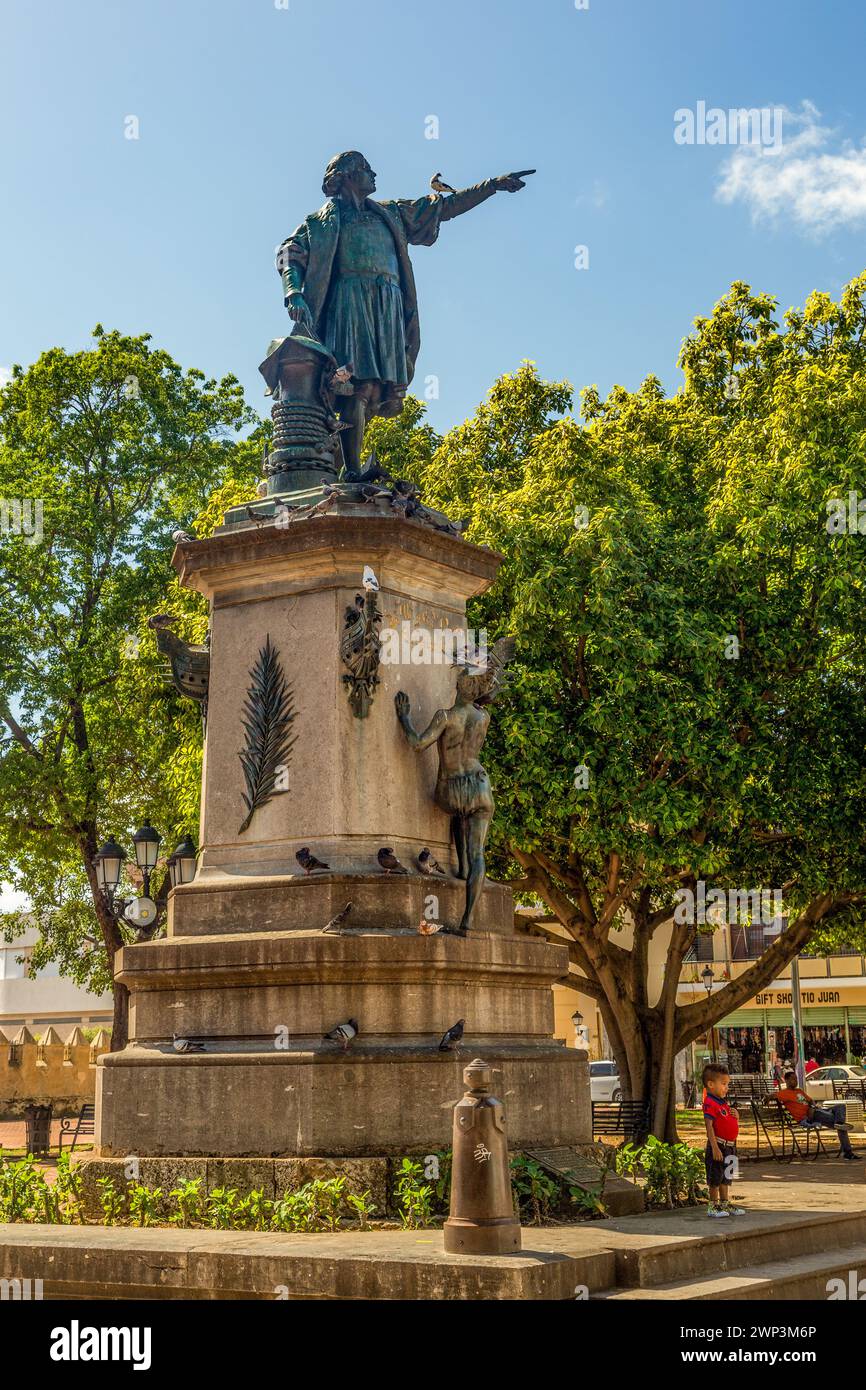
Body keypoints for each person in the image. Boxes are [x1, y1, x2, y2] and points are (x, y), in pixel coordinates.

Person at [776, 1070, 859, 1159]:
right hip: (809, 1117)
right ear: (787, 1080)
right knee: (840, 1126)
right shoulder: (783, 1093)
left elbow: (811, 1101)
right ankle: (847, 1151)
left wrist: (812, 1107)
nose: (795, 1081)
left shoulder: (799, 1091)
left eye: (796, 1079)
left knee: (841, 1107)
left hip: (816, 1111)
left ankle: (839, 1124)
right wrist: (767, 1097)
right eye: (793, 1079)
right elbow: (772, 1096)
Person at [702, 1063, 746, 1217]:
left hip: (730, 1146)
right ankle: (713, 1206)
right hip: (719, 1145)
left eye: (727, 1084)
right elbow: (709, 1126)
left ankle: (725, 1203)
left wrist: (736, 1117)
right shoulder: (710, 1103)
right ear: (711, 1084)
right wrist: (714, 1147)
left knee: (727, 1177)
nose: (726, 1087)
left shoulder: (723, 1102)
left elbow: (727, 1121)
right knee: (715, 1176)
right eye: (724, 1084)